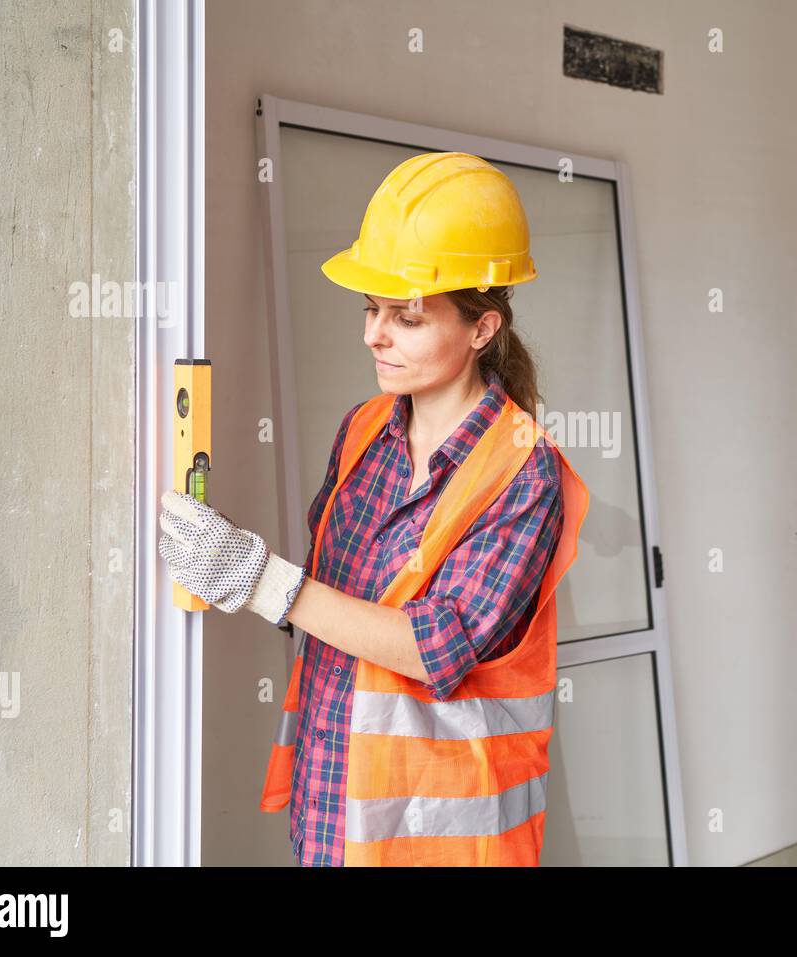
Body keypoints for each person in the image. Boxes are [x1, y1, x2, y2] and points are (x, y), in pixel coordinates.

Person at [158, 151, 589, 866]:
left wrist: (259, 577)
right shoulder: (363, 431)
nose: (374, 335)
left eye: (407, 318)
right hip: (332, 805)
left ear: (482, 329)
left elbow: (437, 645)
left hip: (439, 837)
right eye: (371, 309)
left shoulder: (523, 468)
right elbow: (333, 610)